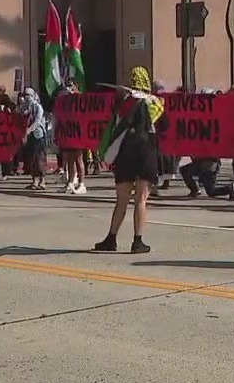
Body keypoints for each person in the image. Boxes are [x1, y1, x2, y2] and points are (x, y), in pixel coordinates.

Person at [93, 66, 167, 253]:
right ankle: (137, 241)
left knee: (121, 200)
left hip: (125, 153)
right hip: (146, 153)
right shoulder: (156, 104)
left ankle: (111, 238)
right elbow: (165, 128)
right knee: (141, 199)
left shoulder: (124, 103)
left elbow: (114, 126)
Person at [56, 79, 88, 194]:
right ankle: (70, 183)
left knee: (78, 159)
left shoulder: (80, 98)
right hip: (68, 133)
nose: (68, 88)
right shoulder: (65, 100)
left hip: (78, 133)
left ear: (76, 86)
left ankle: (81, 184)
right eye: (67, 85)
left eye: (70, 85)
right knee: (69, 159)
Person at [21, 88, 48, 191]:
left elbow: (37, 121)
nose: (27, 96)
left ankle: (42, 181)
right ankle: (34, 181)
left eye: (28, 94)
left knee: (39, 158)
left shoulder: (38, 107)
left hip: (38, 135)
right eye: (25, 94)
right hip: (28, 136)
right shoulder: (25, 106)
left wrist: (29, 129)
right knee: (31, 158)